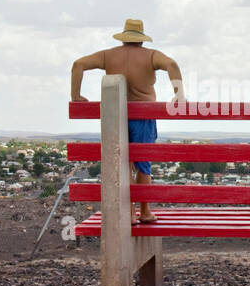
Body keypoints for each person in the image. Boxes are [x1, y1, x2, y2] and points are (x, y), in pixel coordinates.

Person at [71, 18, 184, 223]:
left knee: (124, 164)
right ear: (142, 39)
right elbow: (172, 64)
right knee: (143, 165)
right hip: (143, 116)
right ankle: (145, 211)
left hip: (117, 117)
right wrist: (179, 95)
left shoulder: (108, 55)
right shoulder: (151, 56)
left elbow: (78, 64)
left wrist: (75, 96)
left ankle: (130, 213)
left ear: (124, 38)